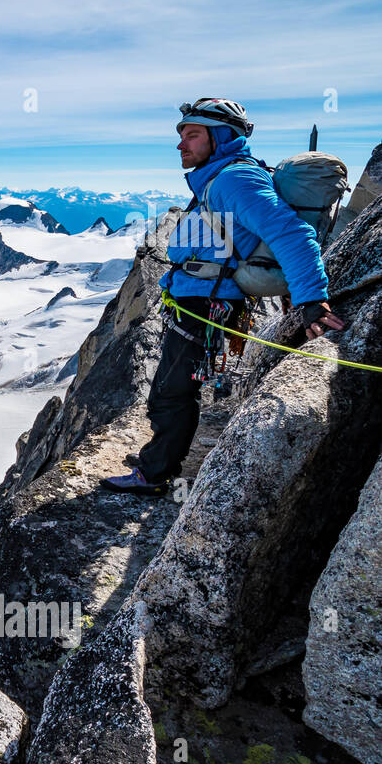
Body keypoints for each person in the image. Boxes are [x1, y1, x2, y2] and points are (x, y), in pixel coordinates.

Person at [101, 97, 346, 495]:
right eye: (181, 135)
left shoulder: (234, 180)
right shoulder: (220, 175)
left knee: (173, 389)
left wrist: (310, 299)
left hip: (207, 301)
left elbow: (291, 233)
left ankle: (154, 473)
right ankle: (158, 457)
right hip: (200, 296)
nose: (181, 145)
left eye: (192, 135)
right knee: (173, 384)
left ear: (220, 137)